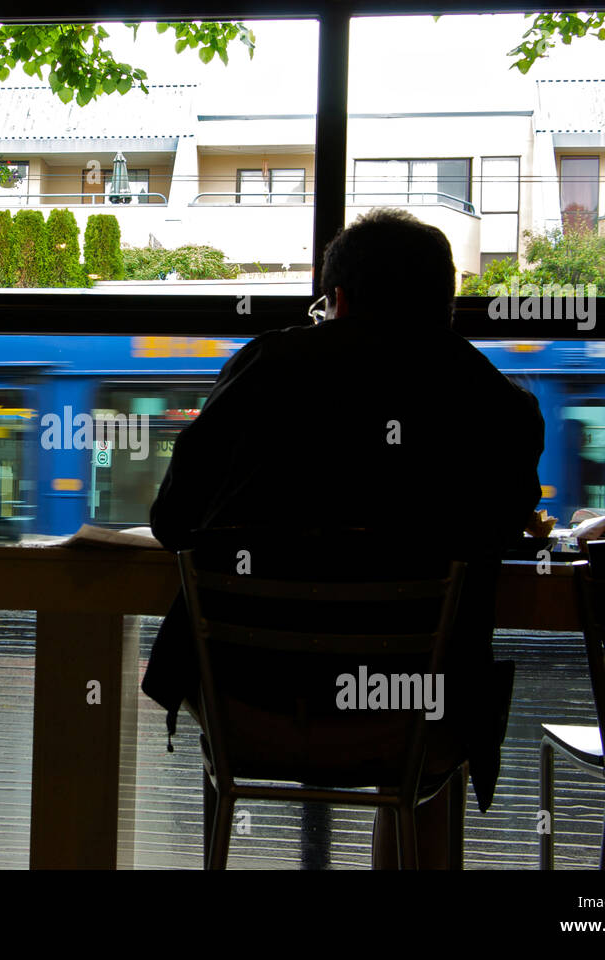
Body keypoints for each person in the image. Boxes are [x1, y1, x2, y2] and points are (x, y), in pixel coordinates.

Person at [144, 207, 545, 868]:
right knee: (437, 683)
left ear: (337, 299)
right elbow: (499, 537)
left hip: (245, 704)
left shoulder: (266, 365)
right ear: (447, 306)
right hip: (415, 715)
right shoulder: (498, 403)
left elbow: (173, 521)